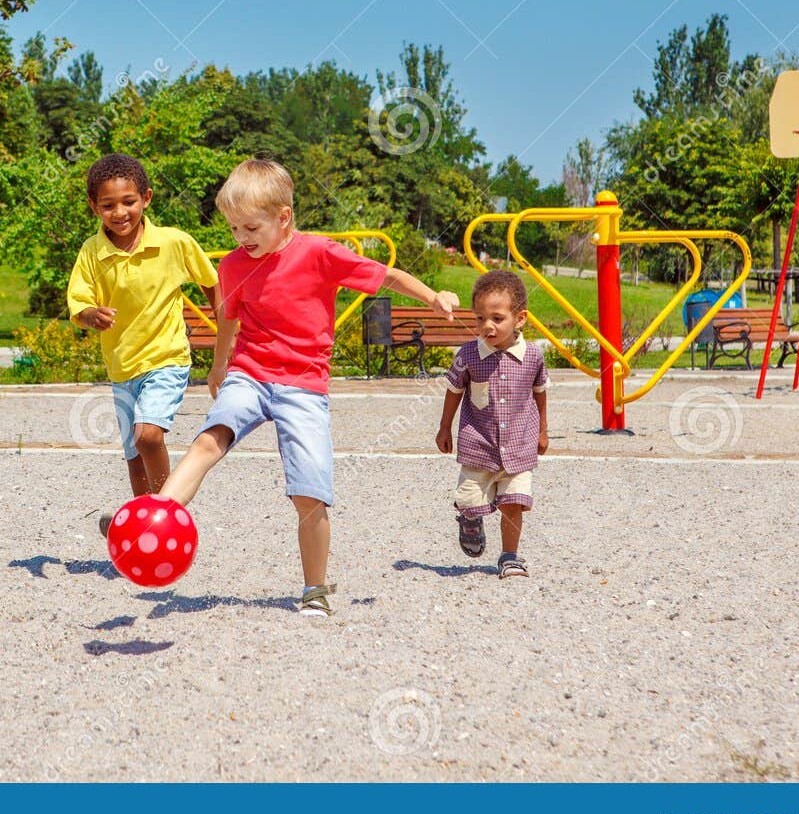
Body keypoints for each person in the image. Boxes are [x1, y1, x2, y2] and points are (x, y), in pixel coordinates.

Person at [156, 158, 460, 616]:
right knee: (207, 440)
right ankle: (156, 518)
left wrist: (435, 297)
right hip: (250, 373)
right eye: (234, 228)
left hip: (303, 385)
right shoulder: (236, 266)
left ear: (283, 217)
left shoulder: (320, 253)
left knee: (309, 492)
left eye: (250, 227)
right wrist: (219, 367)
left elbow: (387, 276)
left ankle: (314, 589)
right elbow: (227, 318)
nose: (241, 238)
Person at [67, 154, 218, 533]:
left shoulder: (173, 242)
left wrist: (227, 333)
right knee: (134, 456)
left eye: (129, 201)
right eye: (108, 205)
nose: (120, 212)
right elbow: (78, 302)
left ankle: (168, 513)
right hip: (122, 367)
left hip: (167, 357)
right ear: (93, 206)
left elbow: (213, 283)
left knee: (148, 436)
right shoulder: (92, 252)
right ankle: (142, 524)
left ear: (146, 198)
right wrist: (90, 315)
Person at [435, 268, 549, 578]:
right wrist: (445, 427)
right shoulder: (469, 354)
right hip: (478, 446)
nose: (487, 326)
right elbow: (454, 390)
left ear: (519, 318)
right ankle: (470, 519)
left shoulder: (534, 357)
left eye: (497, 319)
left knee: (514, 503)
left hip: (519, 446)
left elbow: (539, 394)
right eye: (480, 319)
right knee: (470, 501)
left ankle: (510, 556)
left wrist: (542, 430)